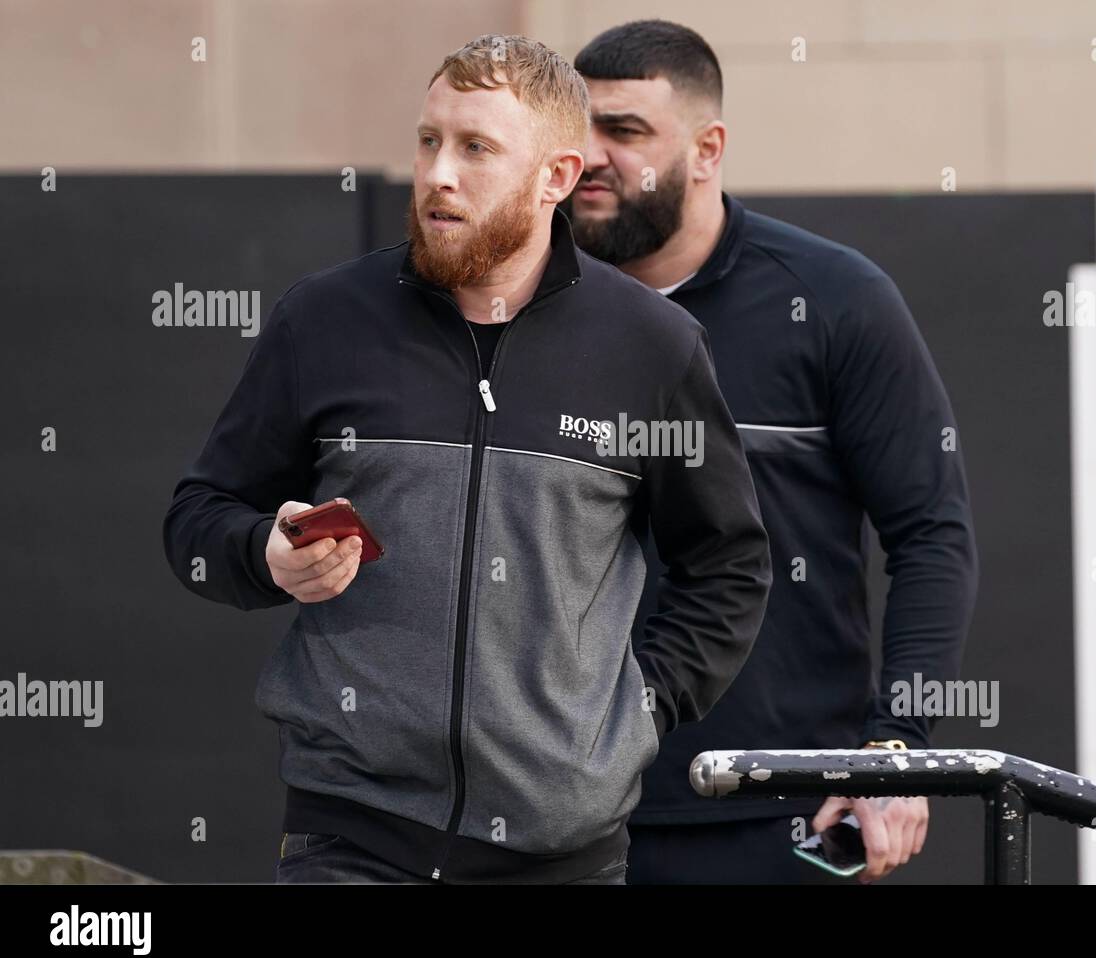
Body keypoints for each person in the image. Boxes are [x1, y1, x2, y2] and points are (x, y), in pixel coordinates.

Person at [161, 33, 771, 885]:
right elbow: (196, 518)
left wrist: (636, 710)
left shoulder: (652, 346)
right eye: (428, 141)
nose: (438, 173)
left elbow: (730, 563)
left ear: (557, 177)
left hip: (563, 857)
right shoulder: (327, 319)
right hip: (350, 838)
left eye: (476, 148)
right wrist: (263, 551)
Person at [570, 20, 978, 884]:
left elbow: (932, 535)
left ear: (707, 149)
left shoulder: (835, 300)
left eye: (626, 132)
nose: (591, 157)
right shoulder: (526, 310)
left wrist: (896, 749)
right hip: (558, 808)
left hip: (783, 808)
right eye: (579, 132)